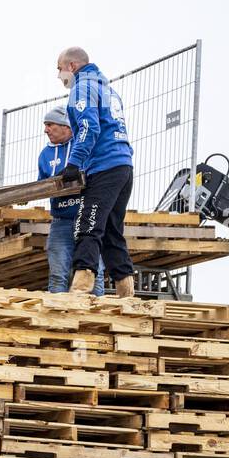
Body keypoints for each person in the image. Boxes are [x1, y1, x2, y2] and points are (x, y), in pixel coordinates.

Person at [55, 47, 137, 297]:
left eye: (59, 69)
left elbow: (88, 127)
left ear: (72, 66)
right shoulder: (108, 89)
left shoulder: (83, 87)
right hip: (123, 165)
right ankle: (127, 294)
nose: (59, 77)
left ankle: (81, 289)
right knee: (112, 230)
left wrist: (74, 163)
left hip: (104, 165)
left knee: (87, 224)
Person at [38, 106, 103, 295]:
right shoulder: (45, 154)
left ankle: (96, 319)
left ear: (65, 125)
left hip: (88, 220)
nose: (46, 130)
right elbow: (41, 184)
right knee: (58, 275)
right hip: (61, 221)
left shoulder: (85, 147)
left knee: (93, 274)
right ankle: (58, 317)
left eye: (50, 124)